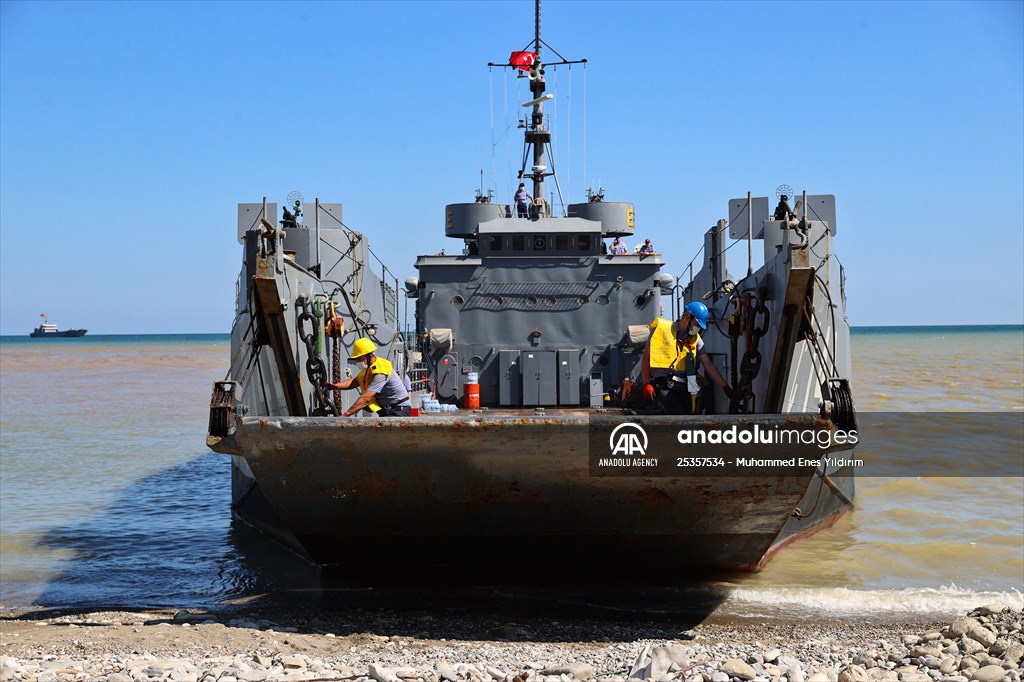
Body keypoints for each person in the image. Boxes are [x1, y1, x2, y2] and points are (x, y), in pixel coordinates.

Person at [641, 302, 733, 415]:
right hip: (663, 385)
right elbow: (646, 357)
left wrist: (725, 386)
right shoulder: (660, 330)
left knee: (691, 411)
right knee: (677, 412)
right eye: (697, 325)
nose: (698, 329)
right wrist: (646, 383)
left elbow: (708, 364)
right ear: (688, 317)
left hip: (683, 386)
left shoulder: (696, 340)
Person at [326, 337, 412, 417]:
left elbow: (366, 398)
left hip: (399, 409)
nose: (357, 361)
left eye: (359, 358)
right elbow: (354, 382)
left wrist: (345, 415)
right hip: (389, 409)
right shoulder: (369, 369)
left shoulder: (380, 370)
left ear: (369, 356)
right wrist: (334, 386)